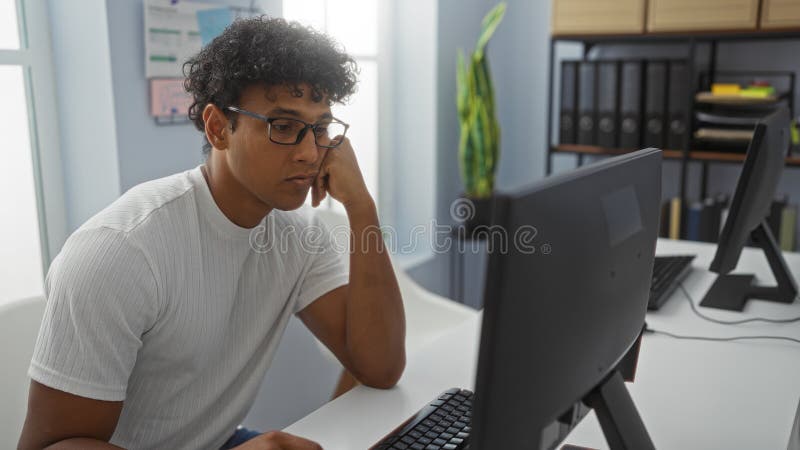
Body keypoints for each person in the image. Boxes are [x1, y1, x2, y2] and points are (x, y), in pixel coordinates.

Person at [18, 16, 405, 450]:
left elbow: (380, 368)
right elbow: (51, 447)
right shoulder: (122, 250)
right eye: (283, 126)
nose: (311, 153)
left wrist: (361, 207)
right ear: (219, 127)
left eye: (320, 128)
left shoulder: (298, 238)